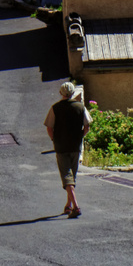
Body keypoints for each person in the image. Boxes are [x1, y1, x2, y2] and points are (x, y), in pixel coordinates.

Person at [44, 81, 91, 217]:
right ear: (72, 93)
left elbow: (49, 127)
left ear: (60, 93)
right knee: (72, 176)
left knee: (66, 176)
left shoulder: (55, 108)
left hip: (61, 146)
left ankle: (75, 206)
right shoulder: (80, 107)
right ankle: (68, 205)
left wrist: (54, 139)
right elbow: (87, 126)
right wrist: (80, 136)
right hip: (75, 146)